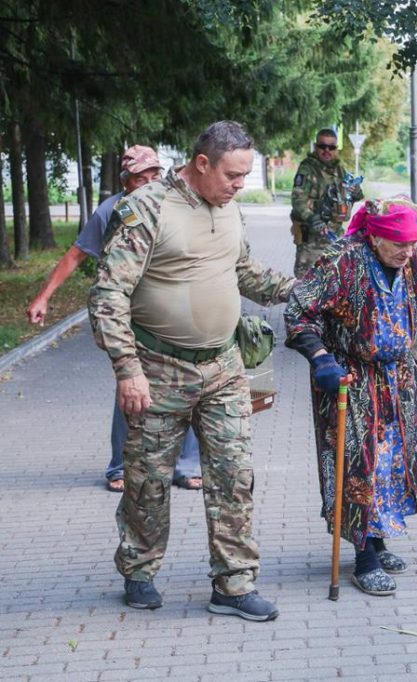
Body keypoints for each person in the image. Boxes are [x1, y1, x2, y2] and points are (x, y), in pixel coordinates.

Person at [88, 121, 295, 620]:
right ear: (202, 163)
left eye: (245, 175)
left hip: (223, 368)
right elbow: (108, 294)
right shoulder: (148, 208)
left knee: (233, 477)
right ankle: (138, 569)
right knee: (147, 482)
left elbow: (245, 272)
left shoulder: (230, 210)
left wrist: (306, 290)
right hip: (158, 370)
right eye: (232, 174)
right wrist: (126, 368)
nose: (238, 184)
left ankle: (234, 583)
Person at [283, 197, 417, 596]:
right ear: (374, 235)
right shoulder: (340, 260)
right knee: (360, 463)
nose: (407, 251)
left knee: (393, 459)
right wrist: (320, 357)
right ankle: (364, 557)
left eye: (412, 243)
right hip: (351, 376)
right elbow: (298, 312)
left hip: (398, 376)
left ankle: (378, 542)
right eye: (398, 243)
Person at [26, 145, 202, 493]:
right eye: (141, 177)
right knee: (131, 388)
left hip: (176, 312)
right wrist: (44, 296)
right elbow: (76, 255)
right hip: (131, 317)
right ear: (127, 181)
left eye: (154, 174)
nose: (149, 181)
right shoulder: (113, 211)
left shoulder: (175, 204)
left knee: (191, 384)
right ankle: (120, 466)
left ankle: (187, 464)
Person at [290, 128, 364, 277]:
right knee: (307, 287)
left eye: (331, 147)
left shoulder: (340, 170)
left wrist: (356, 193)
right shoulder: (308, 169)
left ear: (336, 148)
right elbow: (297, 200)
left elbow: (351, 196)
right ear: (316, 146)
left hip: (336, 238)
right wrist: (312, 218)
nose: (327, 151)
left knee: (335, 286)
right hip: (312, 241)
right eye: (322, 146)